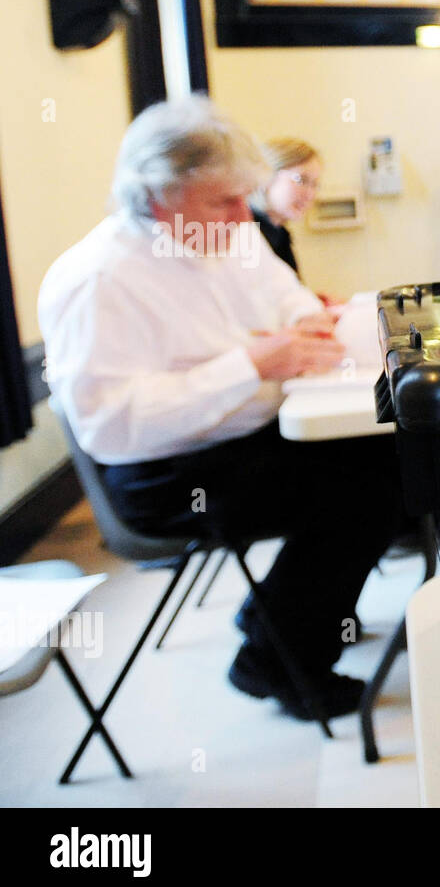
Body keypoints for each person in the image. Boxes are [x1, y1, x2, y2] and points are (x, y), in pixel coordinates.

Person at [38, 97, 408, 721]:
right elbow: (112, 423)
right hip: (164, 471)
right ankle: (276, 659)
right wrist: (253, 366)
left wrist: (303, 320)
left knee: (387, 447)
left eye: (245, 197)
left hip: (236, 434)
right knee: (369, 482)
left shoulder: (218, 232)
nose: (244, 216)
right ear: (158, 197)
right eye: (225, 201)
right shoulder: (97, 279)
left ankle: (281, 618)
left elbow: (278, 291)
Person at [250, 137, 323, 276]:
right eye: (301, 180)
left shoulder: (279, 234)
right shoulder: (245, 234)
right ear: (266, 176)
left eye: (315, 184)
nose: (310, 194)